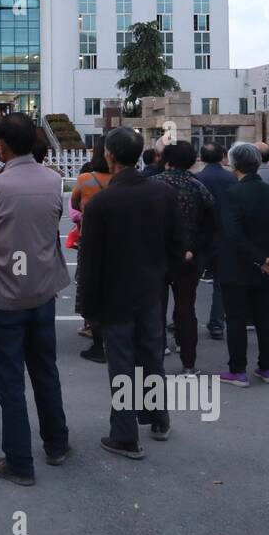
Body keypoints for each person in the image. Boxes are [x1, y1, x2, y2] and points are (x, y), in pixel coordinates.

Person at [0, 113, 70, 485]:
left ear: (1, 146)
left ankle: (20, 461)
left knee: (10, 379)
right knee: (46, 369)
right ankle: (57, 443)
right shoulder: (54, 180)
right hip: (42, 290)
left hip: (3, 295)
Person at [79, 127, 184, 458]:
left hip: (115, 295)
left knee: (121, 363)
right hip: (152, 290)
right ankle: (157, 419)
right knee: (152, 356)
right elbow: (178, 245)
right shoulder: (162, 194)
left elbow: (91, 261)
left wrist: (88, 307)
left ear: (109, 155)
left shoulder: (102, 203)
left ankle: (125, 435)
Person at [217, 143, 269, 387]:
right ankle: (267, 367)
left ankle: (238, 370)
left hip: (238, 267)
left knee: (237, 319)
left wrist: (259, 259)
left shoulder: (231, 195)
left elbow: (233, 234)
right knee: (267, 319)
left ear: (234, 165)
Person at [155, 140, 215, 375]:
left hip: (156, 257)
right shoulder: (198, 187)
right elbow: (211, 226)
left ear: (166, 160)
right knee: (186, 309)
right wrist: (195, 250)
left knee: (155, 309)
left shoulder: (152, 185)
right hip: (188, 258)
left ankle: (155, 358)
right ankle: (188, 364)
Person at [71, 141, 112, 363]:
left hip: (90, 238)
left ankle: (97, 342)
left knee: (90, 286)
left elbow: (75, 204)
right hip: (117, 238)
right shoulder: (119, 180)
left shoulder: (85, 180)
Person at [194, 142, 235, 338]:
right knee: (221, 284)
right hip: (224, 237)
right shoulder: (232, 179)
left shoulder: (197, 179)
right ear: (222, 157)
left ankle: (183, 321)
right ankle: (217, 323)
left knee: (189, 283)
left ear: (200, 158)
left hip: (200, 238)